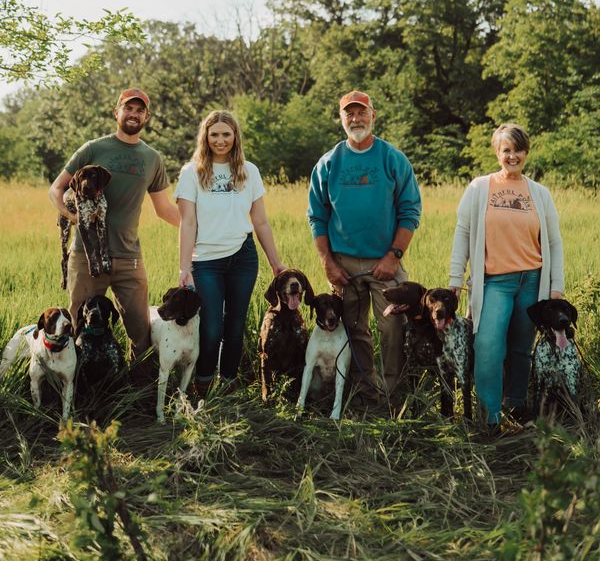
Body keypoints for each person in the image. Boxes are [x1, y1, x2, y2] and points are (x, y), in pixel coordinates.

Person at [49, 88, 180, 377]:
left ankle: (135, 395)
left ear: (146, 116)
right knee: (75, 327)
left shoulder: (151, 158)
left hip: (129, 258)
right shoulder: (93, 149)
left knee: (141, 333)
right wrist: (73, 216)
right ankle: (74, 394)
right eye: (128, 108)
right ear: (116, 112)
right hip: (86, 258)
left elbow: (164, 209)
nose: (133, 114)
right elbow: (56, 189)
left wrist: (198, 228)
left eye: (139, 110)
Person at [307, 90, 422, 407]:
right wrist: (328, 262)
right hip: (343, 264)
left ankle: (391, 395)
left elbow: (410, 211)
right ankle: (364, 393)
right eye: (349, 114)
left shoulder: (392, 159)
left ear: (373, 115)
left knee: (392, 329)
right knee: (354, 330)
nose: (355, 119)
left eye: (361, 112)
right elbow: (317, 216)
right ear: (341, 119)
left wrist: (393, 256)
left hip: (385, 262)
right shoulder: (329, 163)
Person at [448, 123, 564, 426]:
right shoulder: (479, 188)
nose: (512, 156)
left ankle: (515, 407)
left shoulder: (540, 193)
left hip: (532, 281)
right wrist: (455, 280)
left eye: (518, 150)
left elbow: (553, 241)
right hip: (494, 282)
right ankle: (490, 418)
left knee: (521, 348)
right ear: (497, 152)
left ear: (526, 152)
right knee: (487, 346)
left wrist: (556, 287)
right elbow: (462, 232)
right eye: (506, 150)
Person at [176, 110, 285, 392]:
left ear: (235, 136)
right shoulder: (192, 172)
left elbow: (260, 221)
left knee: (235, 327)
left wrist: (277, 264)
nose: (220, 140)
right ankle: (202, 385)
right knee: (211, 329)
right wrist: (184, 267)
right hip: (206, 262)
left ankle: (228, 384)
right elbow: (188, 222)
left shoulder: (249, 171)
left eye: (226, 134)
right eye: (214, 134)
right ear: (206, 137)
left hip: (243, 257)